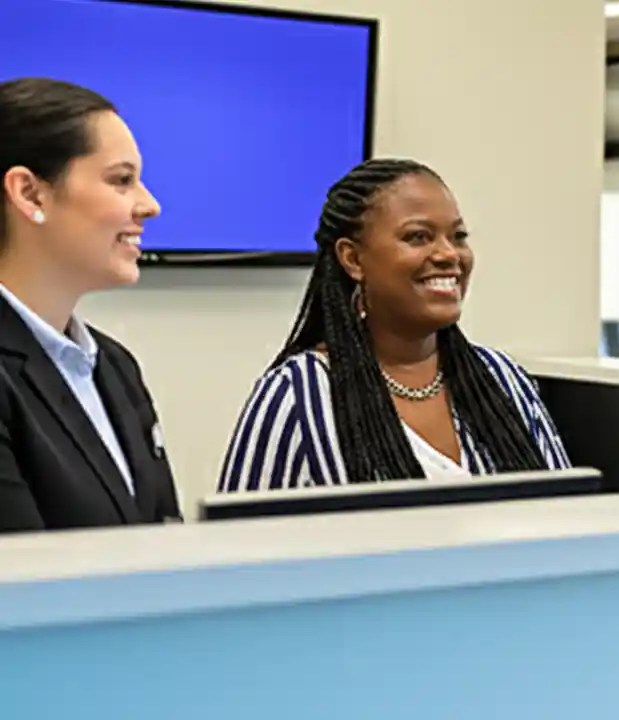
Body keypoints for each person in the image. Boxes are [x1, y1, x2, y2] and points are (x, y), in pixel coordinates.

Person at [218, 158, 571, 491]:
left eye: (458, 236)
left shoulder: (504, 380)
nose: (449, 254)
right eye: (418, 237)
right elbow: (237, 548)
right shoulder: (297, 395)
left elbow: (566, 524)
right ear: (353, 259)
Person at [0, 78, 182, 531]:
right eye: (122, 180)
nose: (150, 205)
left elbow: (164, 535)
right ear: (29, 193)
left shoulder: (115, 366)